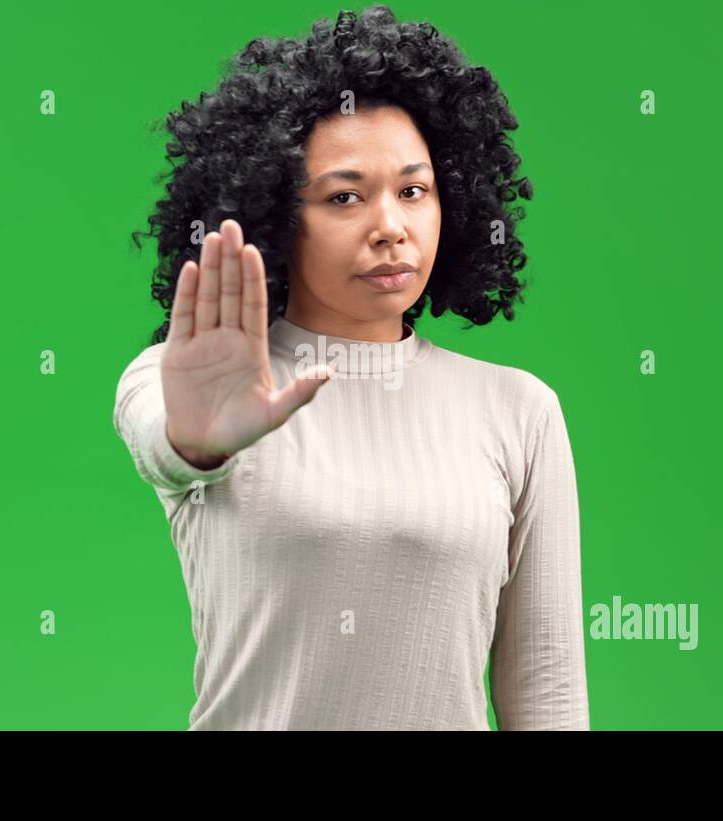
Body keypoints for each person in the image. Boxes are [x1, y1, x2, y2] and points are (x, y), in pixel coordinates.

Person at [113, 5, 588, 730]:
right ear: (274, 213)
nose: (390, 226)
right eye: (344, 196)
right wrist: (198, 442)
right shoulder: (189, 381)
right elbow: (163, 439)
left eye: (413, 190)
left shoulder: (518, 409)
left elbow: (548, 693)